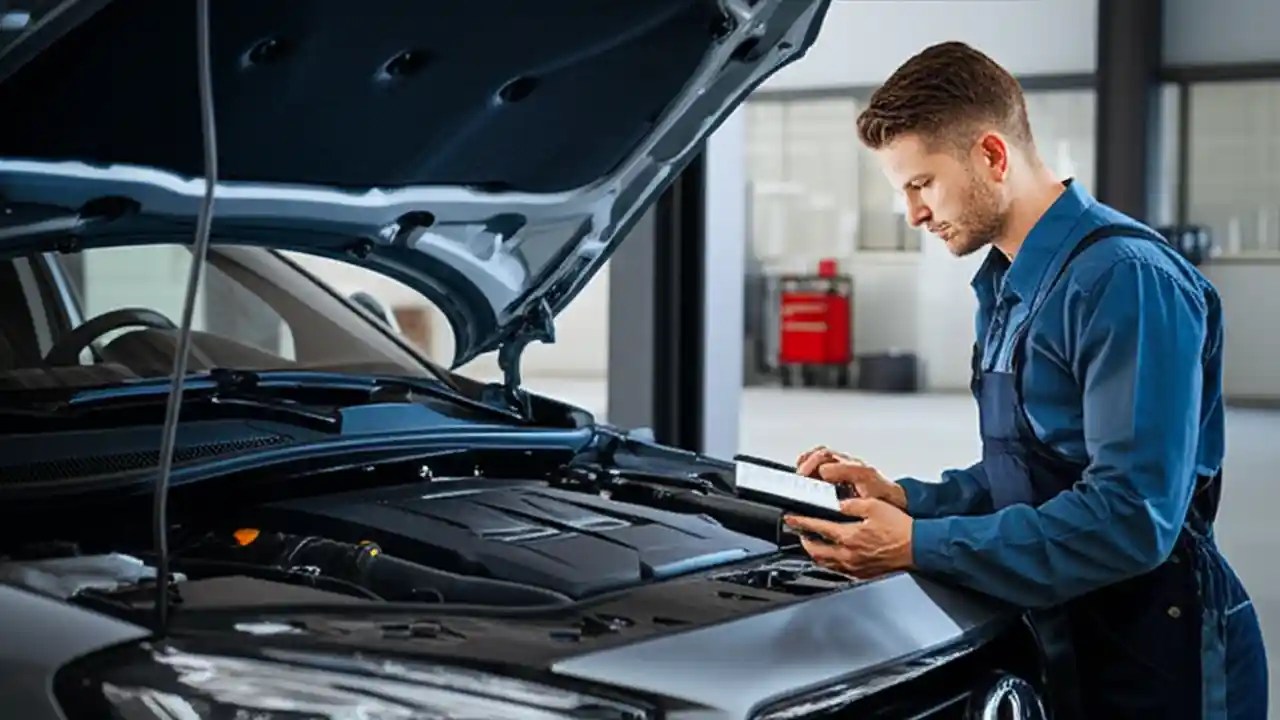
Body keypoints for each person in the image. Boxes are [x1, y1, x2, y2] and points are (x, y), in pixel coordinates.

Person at [781, 41, 1268, 719]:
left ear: (991, 155)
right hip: (1071, 634)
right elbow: (1029, 478)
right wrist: (906, 499)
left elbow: (1131, 518)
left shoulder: (1125, 280)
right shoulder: (1008, 285)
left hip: (1166, 657)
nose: (914, 214)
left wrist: (915, 545)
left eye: (922, 184)